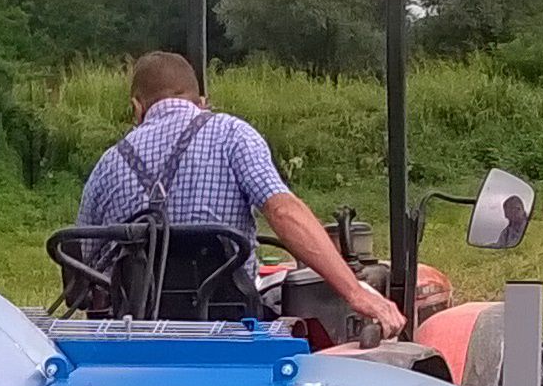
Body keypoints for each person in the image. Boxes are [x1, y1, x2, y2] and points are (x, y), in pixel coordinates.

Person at [76, 52, 404, 336]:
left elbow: (83, 269)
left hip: (142, 335)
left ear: (137, 107)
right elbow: (282, 210)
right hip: (229, 329)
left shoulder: (109, 162)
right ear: (201, 102)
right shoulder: (232, 135)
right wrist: (355, 293)